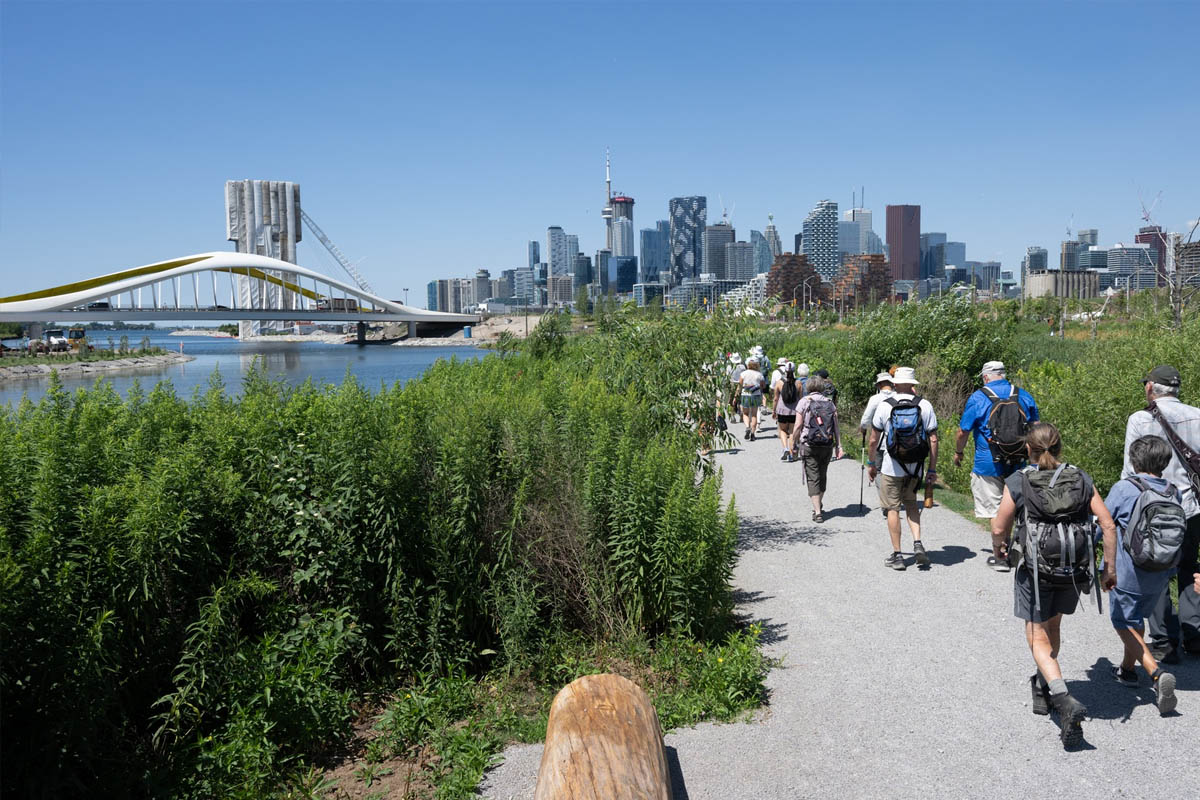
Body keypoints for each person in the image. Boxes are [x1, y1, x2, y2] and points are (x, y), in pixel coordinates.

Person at [991, 422, 1118, 748]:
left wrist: (999, 550)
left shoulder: (1019, 480)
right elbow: (1107, 523)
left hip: (1036, 571)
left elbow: (998, 526)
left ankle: (1063, 699)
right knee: (1053, 626)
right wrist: (1109, 569)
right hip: (1072, 571)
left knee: (1036, 634)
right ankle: (1042, 683)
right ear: (1059, 448)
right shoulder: (1080, 478)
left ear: (1028, 449)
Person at [1122, 365, 1200, 663]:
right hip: (1192, 507)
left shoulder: (1141, 419)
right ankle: (1195, 636)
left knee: (1156, 569)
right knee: (1190, 566)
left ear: (1150, 387)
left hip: (1154, 509)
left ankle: (1166, 642)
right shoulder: (1197, 414)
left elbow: (1131, 469)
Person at [1105, 435, 1180, 714]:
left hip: (1129, 572)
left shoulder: (1125, 488)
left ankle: (1156, 674)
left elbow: (1104, 524)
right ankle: (1126, 670)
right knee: (1135, 621)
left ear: (1134, 460)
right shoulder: (1173, 491)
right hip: (1160, 572)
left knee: (1123, 622)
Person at [954, 360, 1040, 571]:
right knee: (1009, 507)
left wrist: (959, 452)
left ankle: (999, 556)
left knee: (994, 510)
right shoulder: (1023, 395)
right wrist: (1036, 460)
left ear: (985, 377)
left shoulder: (978, 397)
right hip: (1018, 460)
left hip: (988, 463)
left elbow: (963, 431)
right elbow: (1037, 428)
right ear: (1003, 374)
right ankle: (1009, 548)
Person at [867, 367, 937, 570]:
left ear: (895, 383)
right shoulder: (925, 405)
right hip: (915, 467)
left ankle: (897, 555)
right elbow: (933, 439)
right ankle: (917, 543)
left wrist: (872, 464)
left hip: (891, 466)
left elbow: (874, 439)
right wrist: (931, 469)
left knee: (892, 509)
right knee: (912, 505)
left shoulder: (885, 405)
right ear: (913, 385)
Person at [796, 376, 843, 521]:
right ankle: (819, 503)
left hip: (809, 444)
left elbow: (798, 425)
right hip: (826, 444)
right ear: (822, 388)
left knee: (813, 477)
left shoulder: (804, 402)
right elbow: (836, 427)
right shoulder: (829, 403)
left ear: (808, 387)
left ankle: (817, 512)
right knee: (822, 475)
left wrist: (793, 443)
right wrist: (838, 446)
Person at [860, 372, 896, 515]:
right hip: (897, 442)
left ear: (880, 385)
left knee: (880, 471)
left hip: (880, 441)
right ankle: (894, 499)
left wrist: (863, 429)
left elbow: (865, 420)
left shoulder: (875, 399)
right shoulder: (898, 397)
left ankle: (886, 503)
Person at [773, 361, 803, 462]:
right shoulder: (798, 383)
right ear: (794, 370)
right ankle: (791, 453)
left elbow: (776, 399)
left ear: (785, 370)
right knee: (791, 432)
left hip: (781, 411)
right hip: (794, 412)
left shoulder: (779, 382)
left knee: (782, 430)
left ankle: (785, 448)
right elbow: (800, 398)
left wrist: (773, 411)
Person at [738, 356, 767, 441]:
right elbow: (763, 386)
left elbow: (740, 385)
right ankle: (753, 433)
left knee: (745, 413)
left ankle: (747, 427)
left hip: (745, 394)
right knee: (754, 414)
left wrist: (737, 394)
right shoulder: (760, 374)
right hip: (756, 395)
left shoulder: (743, 374)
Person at [727, 353, 745, 423]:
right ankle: (741, 416)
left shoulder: (729, 367)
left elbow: (727, 376)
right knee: (740, 401)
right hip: (741, 384)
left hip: (732, 384)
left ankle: (732, 416)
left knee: (731, 401)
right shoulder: (743, 367)